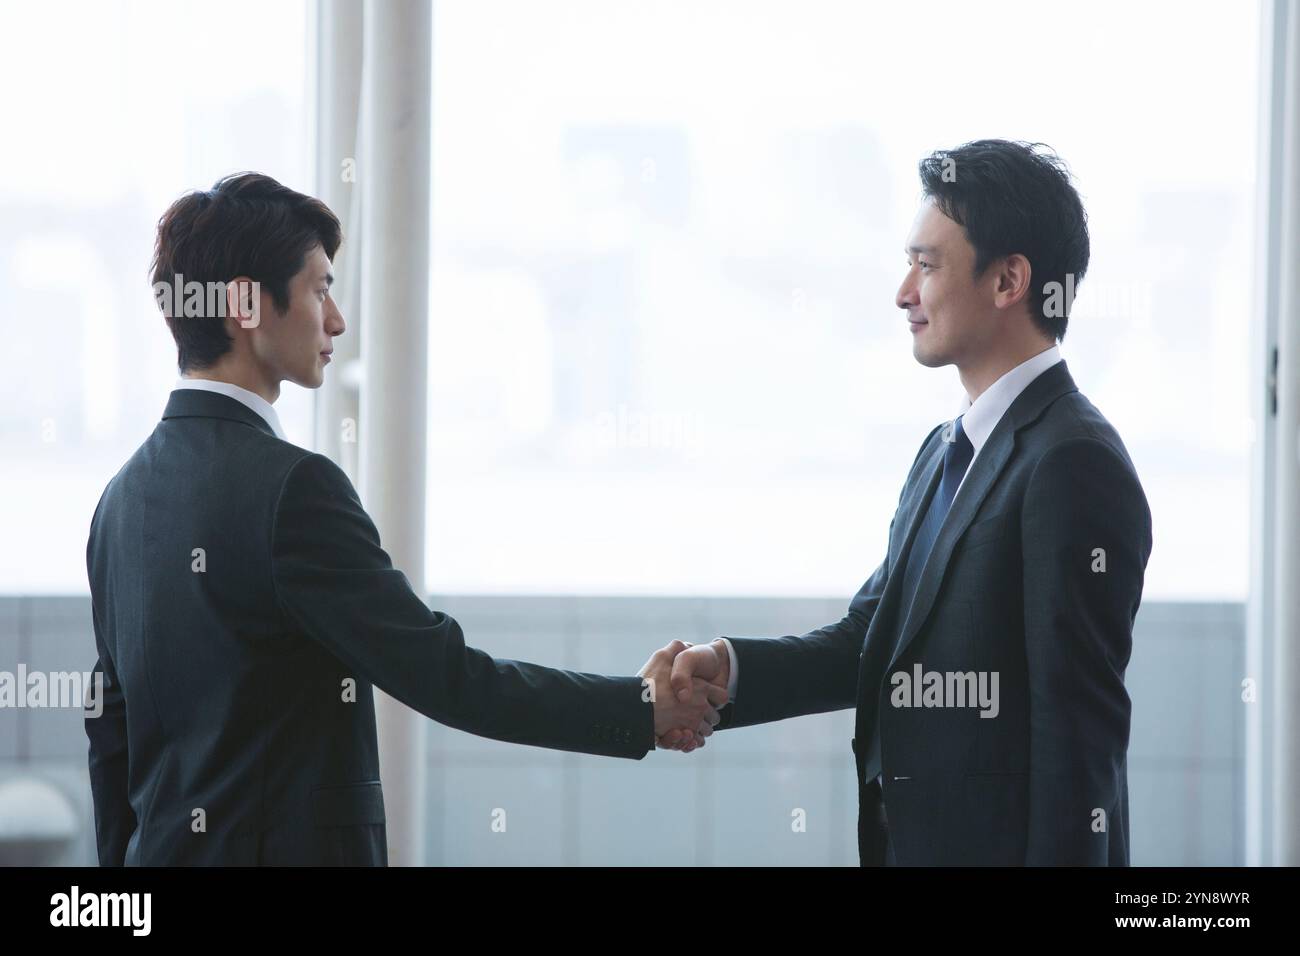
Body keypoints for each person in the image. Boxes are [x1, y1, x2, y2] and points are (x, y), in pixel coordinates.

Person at [84, 172, 725, 866]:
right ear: (246, 304)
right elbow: (445, 675)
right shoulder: (294, 491)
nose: (336, 320)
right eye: (319, 288)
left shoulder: (120, 501)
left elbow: (109, 732)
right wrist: (640, 708)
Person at [659, 140, 1153, 866]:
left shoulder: (1073, 462)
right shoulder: (944, 450)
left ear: (1009, 279)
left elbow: (1078, 744)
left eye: (926, 266)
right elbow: (873, 639)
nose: (903, 292)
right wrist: (728, 669)